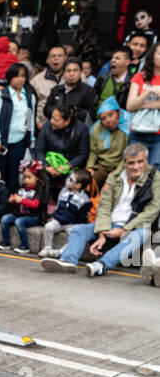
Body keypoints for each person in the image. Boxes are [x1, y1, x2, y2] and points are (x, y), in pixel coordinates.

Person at [41, 143, 160, 276]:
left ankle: (101, 264)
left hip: (135, 227)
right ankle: (68, 261)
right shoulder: (115, 177)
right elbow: (104, 205)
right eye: (131, 163)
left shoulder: (155, 178)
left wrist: (124, 230)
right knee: (78, 230)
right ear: (124, 162)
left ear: (146, 161)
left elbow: (152, 210)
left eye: (140, 162)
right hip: (110, 224)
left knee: (142, 234)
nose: (136, 166)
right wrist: (103, 231)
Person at [0, 62, 36, 191]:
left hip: (20, 141)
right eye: (17, 76)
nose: (20, 79)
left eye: (23, 76)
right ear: (10, 77)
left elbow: (30, 119)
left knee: (14, 175)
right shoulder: (1, 95)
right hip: (2, 142)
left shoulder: (29, 96)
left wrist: (31, 139)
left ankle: (11, 204)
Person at [35, 104, 90, 208]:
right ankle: (41, 209)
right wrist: (46, 166)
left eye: (55, 120)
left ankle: (66, 208)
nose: (51, 121)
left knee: (75, 178)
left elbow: (83, 154)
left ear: (67, 121)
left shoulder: (81, 129)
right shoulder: (47, 126)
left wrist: (66, 167)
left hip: (71, 165)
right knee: (38, 172)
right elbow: (39, 150)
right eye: (51, 118)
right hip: (49, 163)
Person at [37, 168, 93, 258]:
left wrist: (79, 226)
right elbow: (59, 205)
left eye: (71, 180)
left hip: (72, 224)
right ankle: (47, 248)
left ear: (78, 185)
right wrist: (54, 216)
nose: (67, 180)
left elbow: (83, 215)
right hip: (59, 220)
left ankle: (60, 252)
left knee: (75, 237)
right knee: (48, 227)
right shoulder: (63, 191)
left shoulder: (84, 200)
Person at [125, 41, 160, 164]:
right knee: (134, 171)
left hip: (158, 135)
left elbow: (136, 105)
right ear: (152, 55)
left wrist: (141, 105)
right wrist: (149, 91)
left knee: (154, 174)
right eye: (159, 54)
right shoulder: (140, 77)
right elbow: (130, 106)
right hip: (137, 132)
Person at [0, 161, 42, 252]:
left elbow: (35, 204)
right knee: (5, 218)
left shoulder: (38, 190)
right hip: (19, 214)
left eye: (29, 177)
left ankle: (25, 245)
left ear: (37, 178)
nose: (26, 180)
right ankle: (6, 241)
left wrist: (22, 200)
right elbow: (15, 203)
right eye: (24, 177)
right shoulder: (21, 189)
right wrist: (12, 200)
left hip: (32, 216)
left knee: (19, 221)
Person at [87, 98, 127, 184]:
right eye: (103, 118)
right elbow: (93, 151)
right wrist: (89, 167)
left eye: (111, 115)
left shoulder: (127, 128)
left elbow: (128, 155)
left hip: (122, 166)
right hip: (102, 165)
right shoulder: (97, 128)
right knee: (88, 179)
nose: (108, 120)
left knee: (114, 183)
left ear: (119, 113)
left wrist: (117, 171)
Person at [45, 56, 96, 124]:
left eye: (75, 70)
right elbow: (46, 110)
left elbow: (91, 113)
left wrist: (68, 114)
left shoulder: (88, 91)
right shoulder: (56, 90)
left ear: (80, 72)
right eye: (68, 71)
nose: (71, 74)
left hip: (78, 130)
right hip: (56, 128)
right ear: (63, 73)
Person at [29, 44, 67, 112]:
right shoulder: (36, 81)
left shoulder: (74, 77)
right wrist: (37, 121)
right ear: (47, 60)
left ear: (65, 58)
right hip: (43, 121)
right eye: (53, 56)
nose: (56, 58)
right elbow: (29, 105)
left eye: (60, 56)